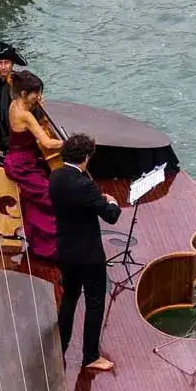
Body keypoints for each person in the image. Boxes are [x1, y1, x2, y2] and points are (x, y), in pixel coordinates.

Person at [49, 134, 121, 374]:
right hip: (89, 256)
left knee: (69, 298)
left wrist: (94, 199)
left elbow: (76, 203)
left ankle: (60, 347)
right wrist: (112, 202)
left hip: (66, 250)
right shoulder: (86, 185)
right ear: (86, 157)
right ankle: (90, 356)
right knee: (94, 303)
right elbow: (110, 216)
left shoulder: (56, 176)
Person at [3, 71, 63, 261]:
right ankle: (51, 248)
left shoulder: (15, 104)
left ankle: (38, 243)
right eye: (36, 93)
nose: (39, 96)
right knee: (49, 197)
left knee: (33, 200)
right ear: (24, 93)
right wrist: (69, 143)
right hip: (22, 165)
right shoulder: (25, 115)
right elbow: (47, 143)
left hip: (20, 158)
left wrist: (38, 107)